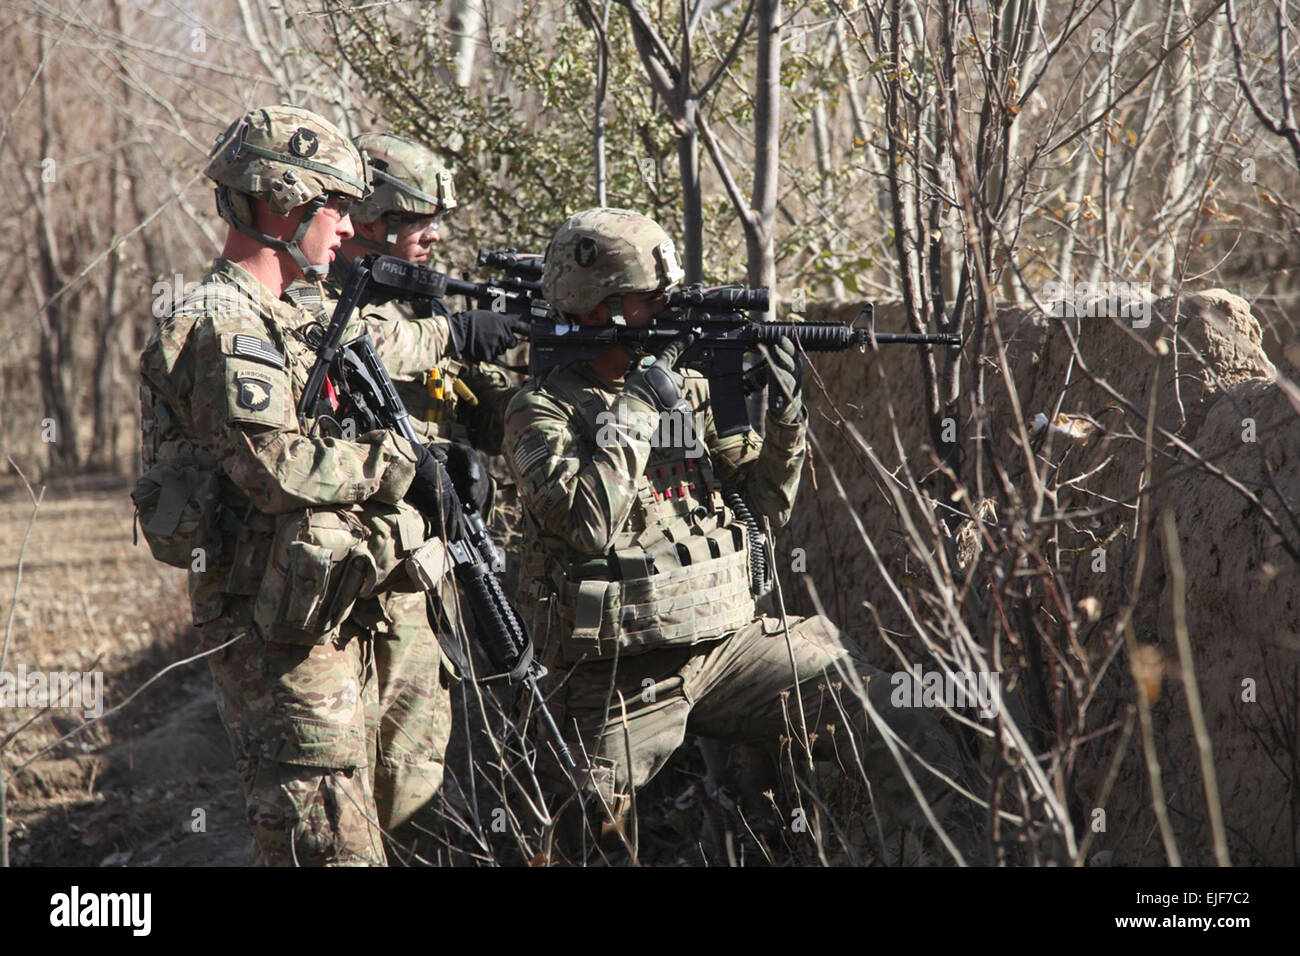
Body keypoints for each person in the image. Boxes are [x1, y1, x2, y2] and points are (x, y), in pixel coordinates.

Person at [502, 207, 966, 859]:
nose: (664, 311)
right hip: (616, 674)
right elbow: (586, 523)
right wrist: (640, 401)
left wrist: (786, 413)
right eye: (648, 301)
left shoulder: (684, 388)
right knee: (572, 834)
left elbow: (764, 505)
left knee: (893, 710)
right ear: (597, 308)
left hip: (728, 648)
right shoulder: (542, 409)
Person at [135, 105, 465, 866]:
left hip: (334, 604)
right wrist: (406, 467)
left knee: (387, 816)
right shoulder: (223, 323)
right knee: (325, 845)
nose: (349, 230)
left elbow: (377, 360)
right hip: (276, 638)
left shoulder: (298, 311)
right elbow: (276, 468)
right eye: (335, 209)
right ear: (280, 204)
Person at [283, 130, 518, 453]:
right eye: (418, 221)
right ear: (369, 222)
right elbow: (346, 345)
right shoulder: (308, 290)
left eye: (435, 221)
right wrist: (452, 334)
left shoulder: (417, 303)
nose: (432, 236)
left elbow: (482, 418)